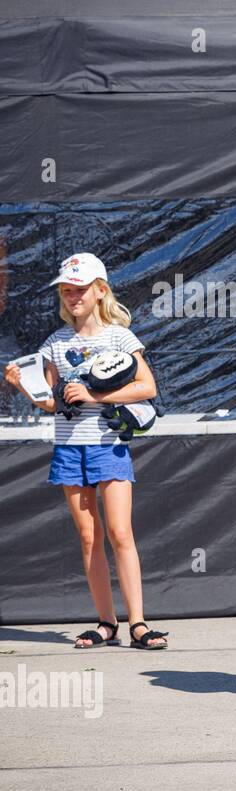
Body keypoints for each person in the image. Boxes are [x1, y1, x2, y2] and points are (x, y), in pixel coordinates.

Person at [3, 253, 168, 650]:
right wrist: (21, 384)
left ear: (100, 290)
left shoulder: (120, 337)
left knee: (120, 532)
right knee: (89, 537)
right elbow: (52, 402)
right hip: (69, 447)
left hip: (108, 445)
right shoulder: (55, 343)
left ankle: (139, 624)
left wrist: (95, 395)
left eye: (79, 289)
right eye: (66, 290)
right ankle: (106, 623)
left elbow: (147, 387)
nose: (73, 296)